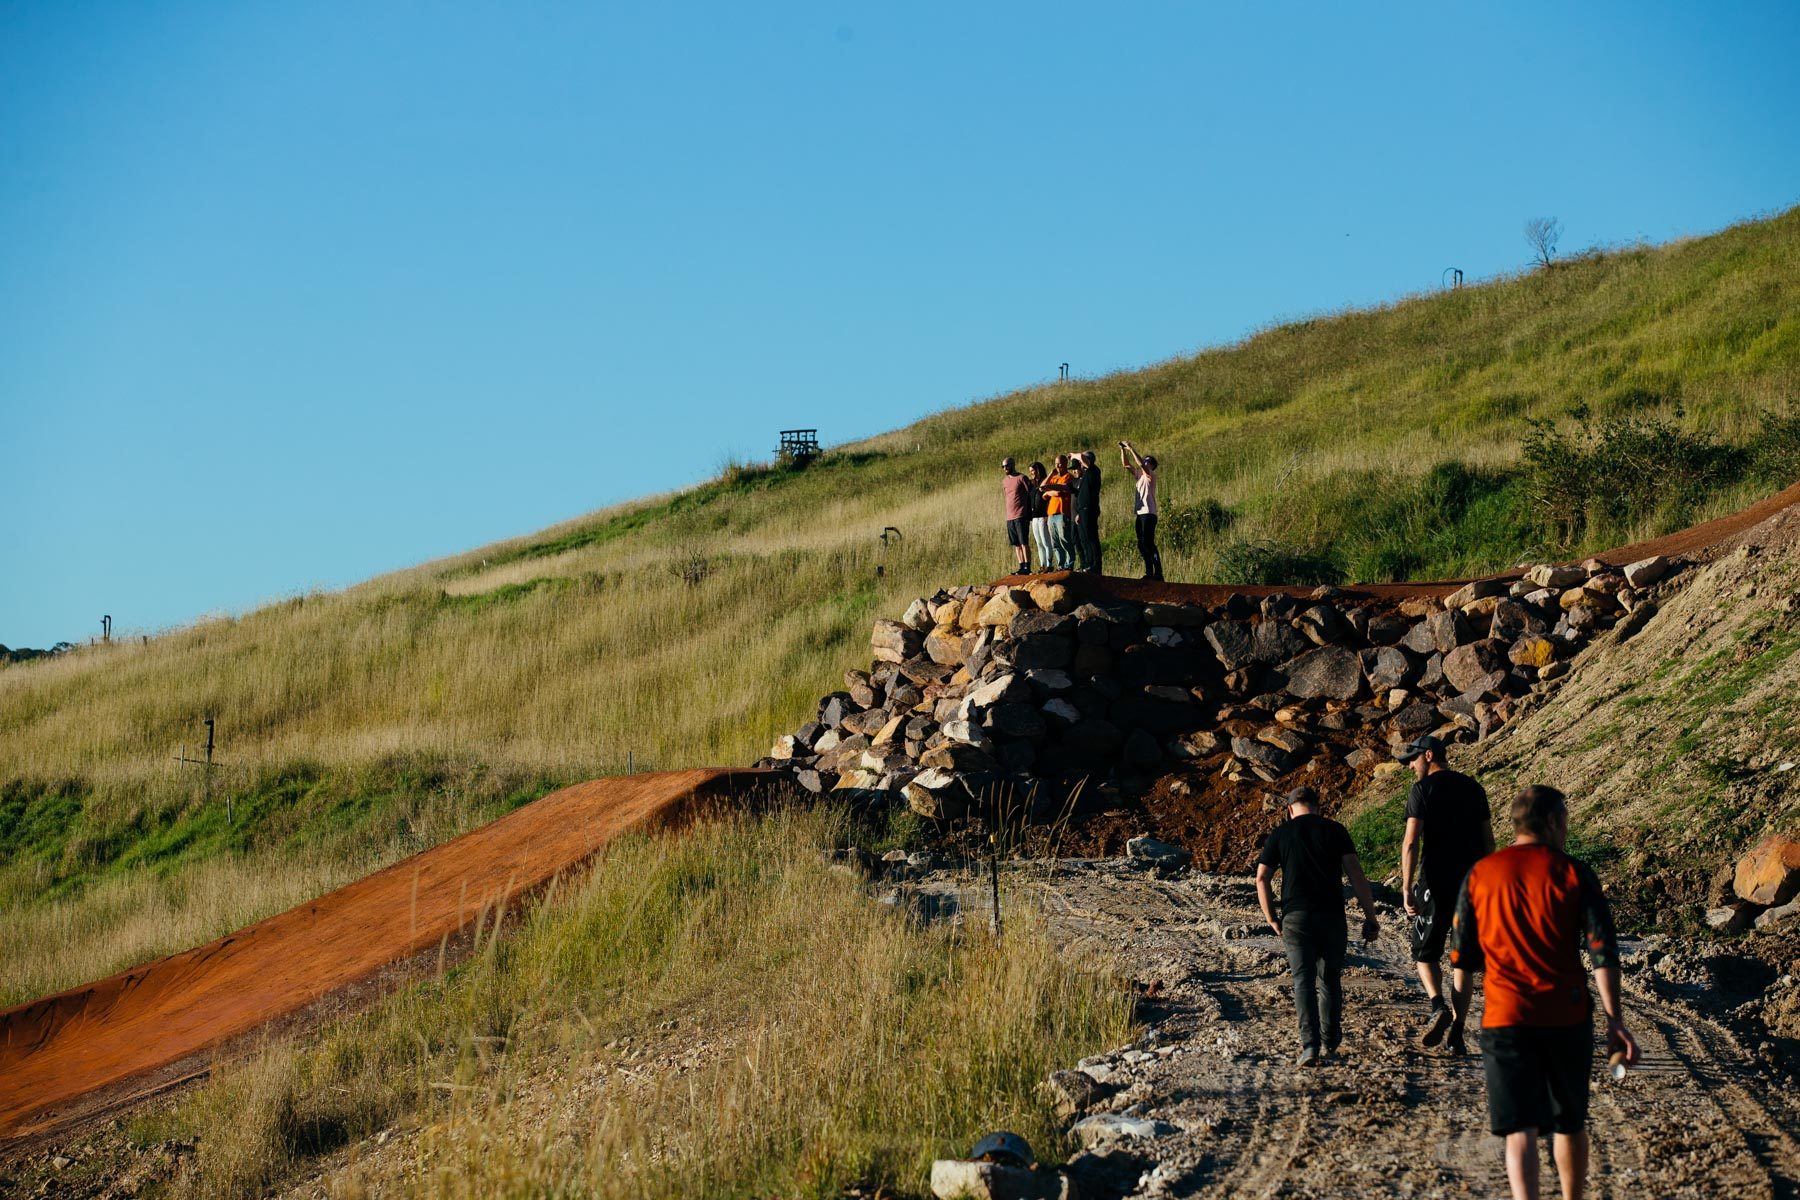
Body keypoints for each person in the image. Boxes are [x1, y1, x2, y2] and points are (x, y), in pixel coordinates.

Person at [1448, 786, 1640, 1200]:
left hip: (1504, 1017)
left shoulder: (1481, 874)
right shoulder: (1574, 873)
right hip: (1565, 1017)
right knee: (1569, 1123)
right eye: (1565, 820)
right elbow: (1603, 953)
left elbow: (1462, 957)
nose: (1566, 829)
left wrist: (1459, 1016)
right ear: (1552, 822)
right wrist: (1615, 1020)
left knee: (1520, 1129)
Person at [1255, 787, 1382, 1068]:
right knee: (1330, 979)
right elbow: (1356, 875)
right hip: (1332, 917)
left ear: (1290, 810)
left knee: (1303, 979)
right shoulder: (1335, 830)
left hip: (1296, 917)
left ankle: (1310, 1045)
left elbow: (1261, 878)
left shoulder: (1281, 833)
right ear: (1318, 807)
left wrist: (1271, 917)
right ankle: (1330, 1040)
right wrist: (1370, 917)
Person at [1396, 733, 1493, 1053]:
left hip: (1435, 884)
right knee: (1463, 962)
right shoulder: (1474, 789)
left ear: (1428, 756)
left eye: (1413, 758)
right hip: (1473, 887)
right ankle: (1459, 1029)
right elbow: (1488, 842)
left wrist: (1406, 887)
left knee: (1424, 954)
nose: (1410, 765)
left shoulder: (1422, 790)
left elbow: (1411, 842)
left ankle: (1438, 1007)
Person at [1119, 440, 1163, 581]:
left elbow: (1140, 464)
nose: (1146, 461)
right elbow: (1126, 465)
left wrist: (1131, 448)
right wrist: (1123, 450)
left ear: (1152, 466)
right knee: (1141, 543)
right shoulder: (1139, 475)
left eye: (1148, 461)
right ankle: (1149, 572)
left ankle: (1158, 573)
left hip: (1149, 513)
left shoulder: (1150, 475)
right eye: (1146, 459)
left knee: (1149, 542)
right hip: (1140, 513)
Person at [1043, 454, 1076, 571]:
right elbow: (1042, 487)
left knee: (1064, 539)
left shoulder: (1068, 477)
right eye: (1056, 463)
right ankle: (1060, 565)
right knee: (1055, 542)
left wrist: (1048, 491)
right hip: (1051, 513)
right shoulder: (1054, 477)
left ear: (1066, 464)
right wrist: (1051, 474)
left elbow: (1058, 493)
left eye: (1060, 463)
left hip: (1062, 512)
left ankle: (1069, 564)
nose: (1058, 466)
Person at [1001, 458, 1032, 574]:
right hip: (1010, 517)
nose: (1005, 468)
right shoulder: (1004, 481)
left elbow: (1030, 493)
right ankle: (1021, 566)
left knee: (1024, 542)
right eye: (1003, 466)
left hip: (1021, 514)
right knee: (1016, 544)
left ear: (1013, 465)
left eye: (1007, 466)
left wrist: (1029, 511)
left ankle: (1027, 567)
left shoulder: (1022, 478)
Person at [1073, 449, 1102, 574]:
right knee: (1084, 538)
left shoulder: (1094, 471)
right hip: (1083, 510)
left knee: (1091, 537)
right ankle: (1089, 563)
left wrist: (1074, 455)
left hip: (1090, 509)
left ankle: (1096, 565)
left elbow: (1082, 458)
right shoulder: (1085, 475)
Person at [1026, 461, 1051, 572]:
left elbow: (1048, 499)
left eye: (1033, 470)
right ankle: (1042, 565)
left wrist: (1048, 514)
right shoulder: (1032, 484)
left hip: (1043, 516)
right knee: (1039, 543)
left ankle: (1049, 565)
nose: (1032, 473)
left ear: (1038, 470)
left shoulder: (1044, 482)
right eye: (1030, 471)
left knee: (1046, 542)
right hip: (1034, 517)